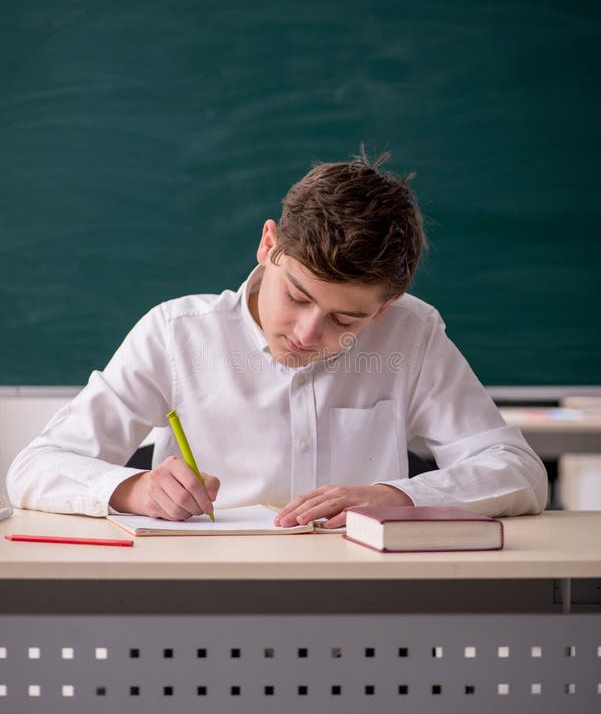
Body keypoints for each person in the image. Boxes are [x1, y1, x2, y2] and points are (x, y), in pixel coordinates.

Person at [7, 150, 548, 526]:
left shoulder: (413, 333)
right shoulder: (177, 335)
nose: (308, 334)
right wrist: (132, 489)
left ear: (385, 307)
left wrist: (396, 496)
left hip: (365, 613)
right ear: (269, 245)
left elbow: (519, 471)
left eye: (346, 321)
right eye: (297, 296)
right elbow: (36, 467)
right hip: (202, 609)